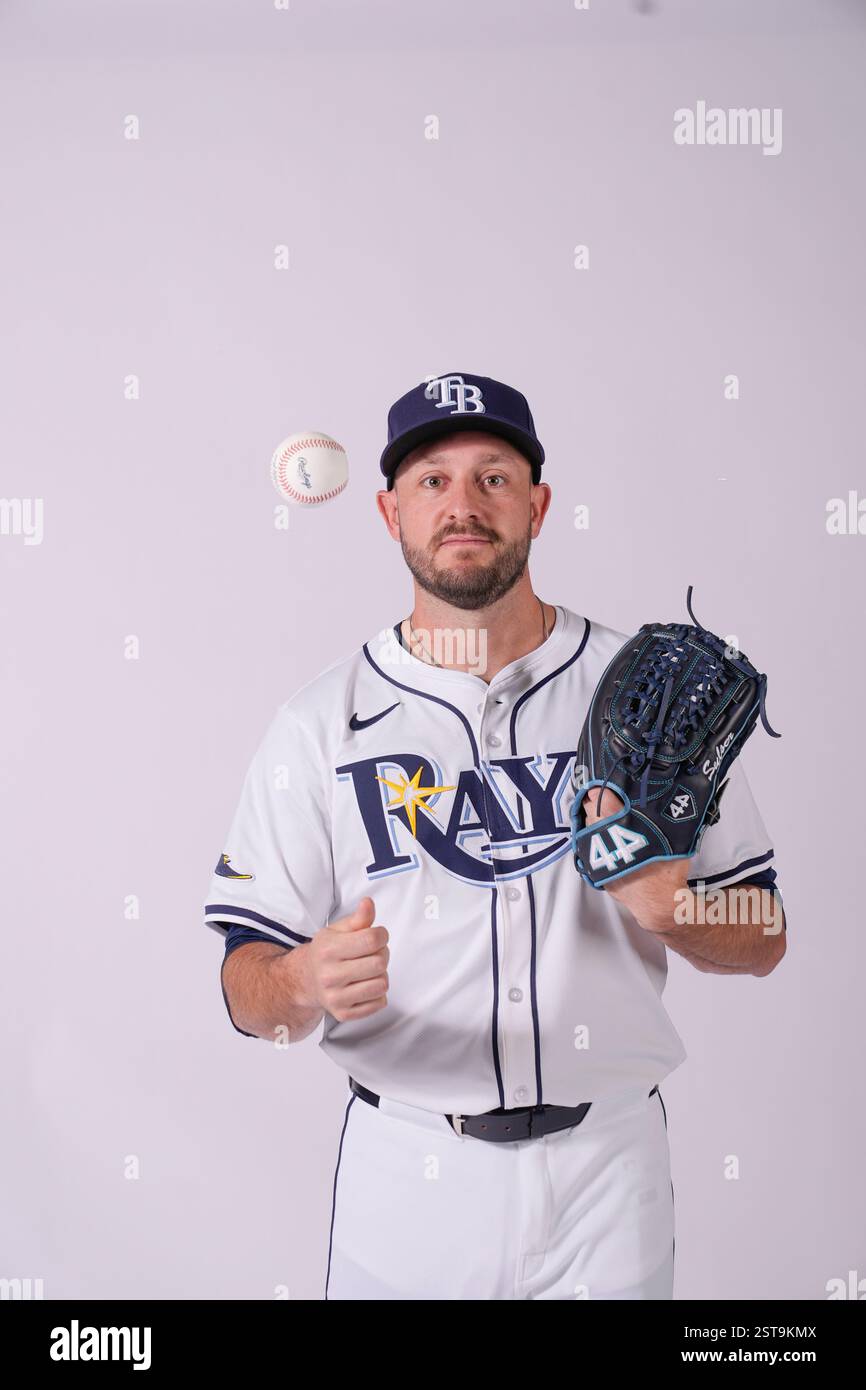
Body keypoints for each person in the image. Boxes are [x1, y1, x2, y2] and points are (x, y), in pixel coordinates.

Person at [203, 371, 786, 1301]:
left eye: (493, 478)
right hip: (409, 1175)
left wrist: (675, 909)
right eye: (433, 481)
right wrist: (302, 982)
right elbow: (246, 990)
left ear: (538, 505)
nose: (463, 505)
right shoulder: (318, 724)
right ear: (389, 513)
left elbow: (766, 935)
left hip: (610, 1170)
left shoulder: (645, 690)